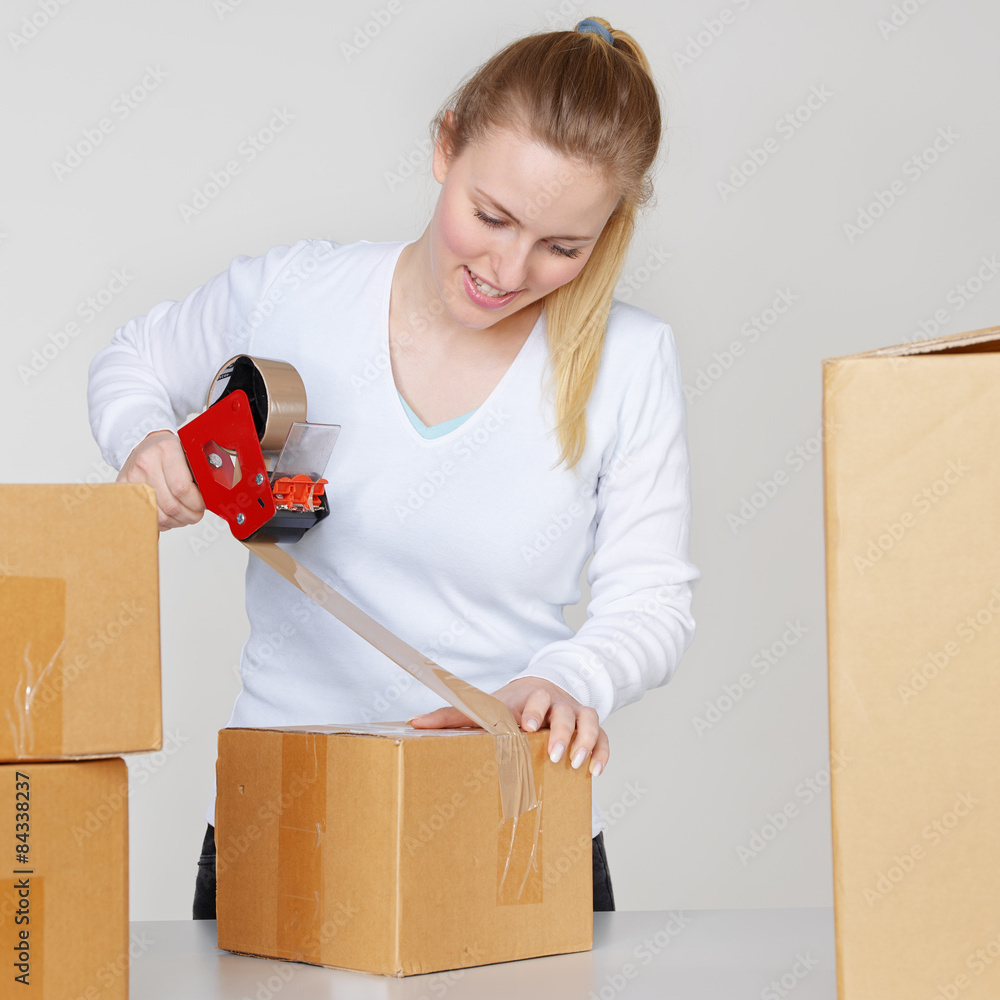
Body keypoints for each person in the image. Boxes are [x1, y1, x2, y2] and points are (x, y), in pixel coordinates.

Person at [87, 15, 699, 918]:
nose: (508, 267)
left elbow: (653, 599)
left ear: (607, 230)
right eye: (490, 216)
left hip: (505, 819)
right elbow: (132, 359)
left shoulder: (630, 360)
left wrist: (572, 681)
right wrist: (146, 439)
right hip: (287, 816)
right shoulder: (295, 295)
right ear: (446, 143)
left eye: (562, 248)